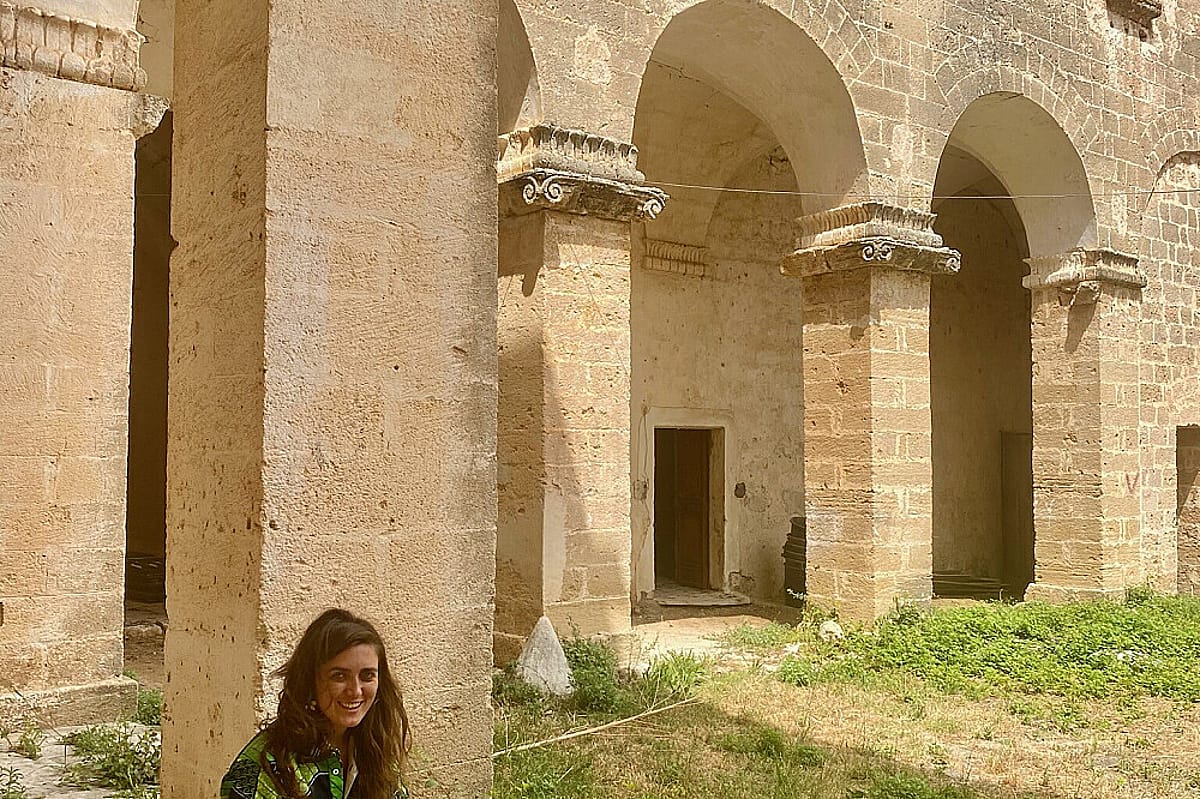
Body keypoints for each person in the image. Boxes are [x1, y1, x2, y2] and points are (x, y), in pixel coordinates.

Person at [220, 608, 411, 799]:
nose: (355, 691)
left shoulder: (373, 747)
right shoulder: (269, 764)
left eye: (367, 675)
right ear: (310, 680)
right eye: (339, 676)